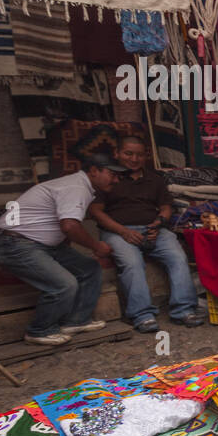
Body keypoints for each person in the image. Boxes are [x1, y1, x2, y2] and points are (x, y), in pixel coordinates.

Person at [0, 155, 121, 345]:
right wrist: (97, 246)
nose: (115, 180)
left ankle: (76, 321)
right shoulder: (76, 187)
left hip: (40, 244)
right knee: (64, 284)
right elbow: (69, 226)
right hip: (13, 244)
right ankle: (39, 330)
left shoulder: (78, 185)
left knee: (89, 268)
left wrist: (64, 244)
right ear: (93, 171)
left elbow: (62, 224)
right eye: (112, 174)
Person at [87, 136, 201, 333]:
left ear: (146, 156)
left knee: (178, 257)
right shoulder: (109, 178)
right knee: (132, 263)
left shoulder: (154, 179)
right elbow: (96, 211)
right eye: (128, 153)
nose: (134, 159)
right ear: (117, 154)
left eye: (139, 155)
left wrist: (159, 223)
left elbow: (166, 207)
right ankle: (142, 315)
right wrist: (123, 231)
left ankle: (184, 310)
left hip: (153, 229)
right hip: (118, 231)